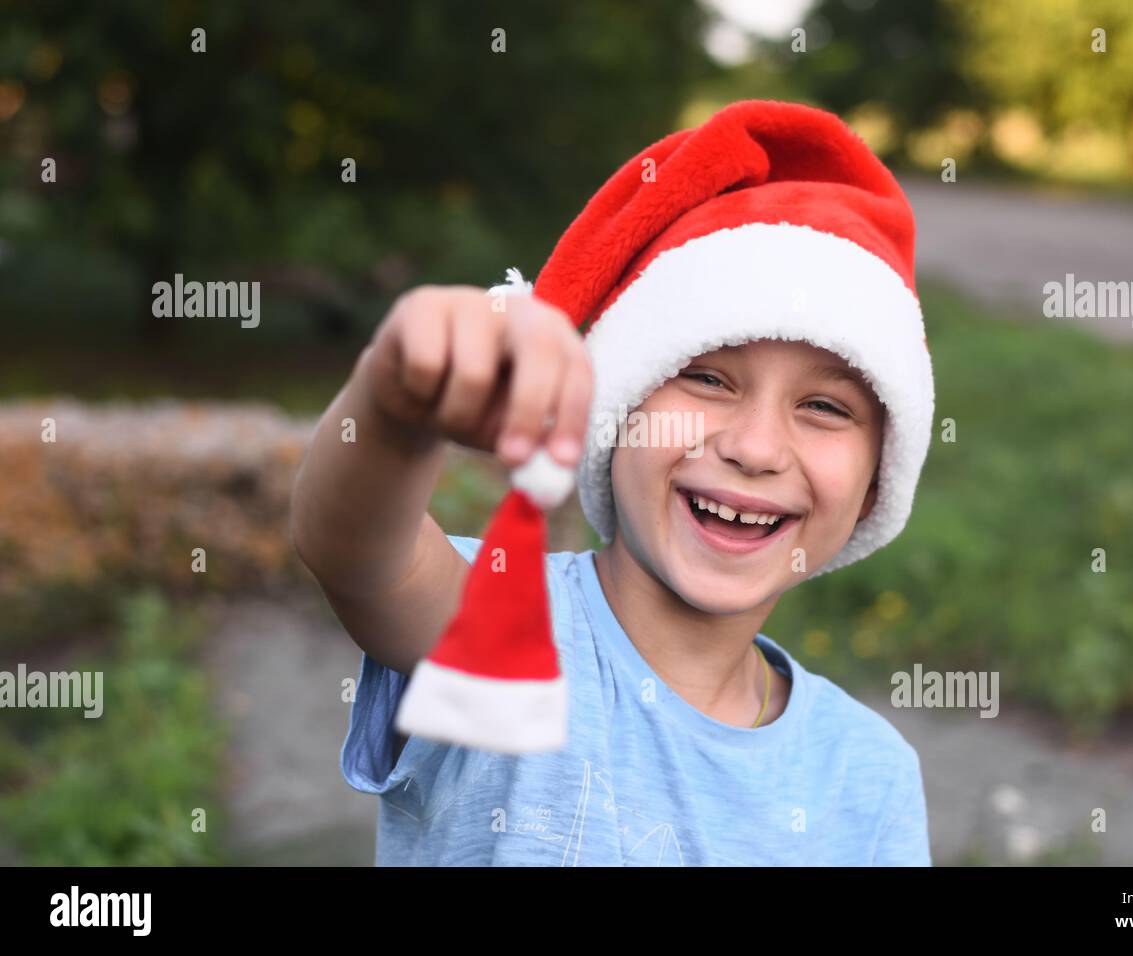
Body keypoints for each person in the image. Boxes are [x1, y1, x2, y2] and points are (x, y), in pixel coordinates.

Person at [290, 99, 936, 865]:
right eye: (707, 378)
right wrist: (394, 408)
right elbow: (352, 550)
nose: (756, 447)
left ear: (873, 485)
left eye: (824, 407)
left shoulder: (870, 778)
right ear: (615, 411)